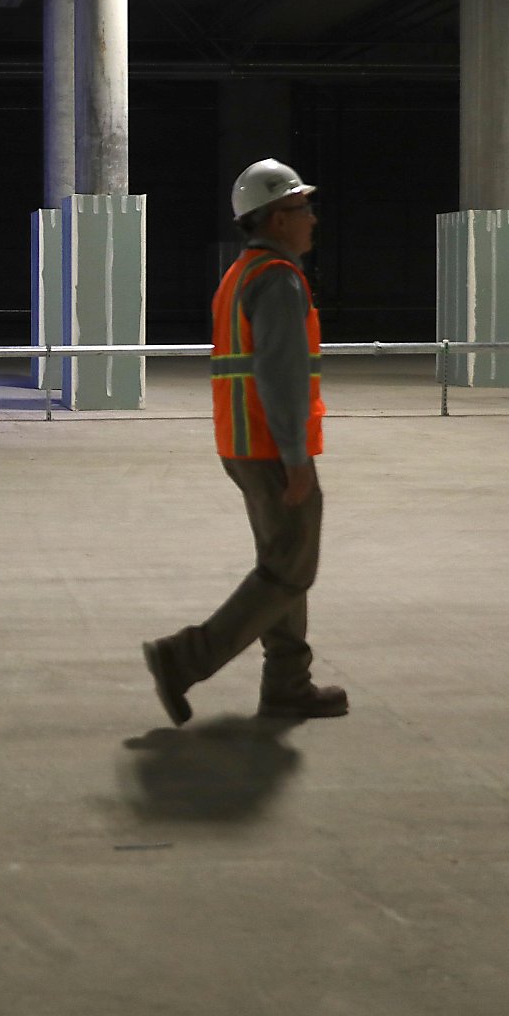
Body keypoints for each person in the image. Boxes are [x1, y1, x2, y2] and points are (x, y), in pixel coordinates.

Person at [141, 158, 349, 725]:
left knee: (282, 564)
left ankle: (288, 685)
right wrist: (295, 458)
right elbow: (280, 377)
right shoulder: (277, 279)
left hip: (241, 442)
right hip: (269, 448)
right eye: (302, 209)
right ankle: (184, 658)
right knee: (289, 571)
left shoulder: (240, 275)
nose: (311, 219)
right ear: (275, 220)